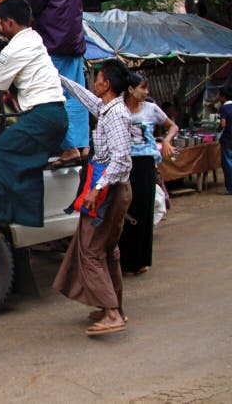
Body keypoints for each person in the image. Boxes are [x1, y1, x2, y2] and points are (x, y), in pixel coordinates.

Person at [0, 0, 68, 230]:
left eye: (1, 24)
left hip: (42, 115)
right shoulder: (35, 38)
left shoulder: (12, 51)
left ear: (10, 23)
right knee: (27, 163)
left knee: (0, 152)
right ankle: (28, 215)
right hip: (58, 117)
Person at [53, 59, 133, 336]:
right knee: (108, 252)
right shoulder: (106, 108)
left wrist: (97, 189)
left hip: (108, 192)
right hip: (111, 190)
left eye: (97, 78)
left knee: (90, 250)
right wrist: (61, 79)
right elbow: (86, 97)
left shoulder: (117, 116)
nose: (94, 82)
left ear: (106, 84)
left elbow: (121, 160)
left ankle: (112, 314)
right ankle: (112, 307)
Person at [22, 0, 89, 166]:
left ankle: (69, 148)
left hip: (53, 45)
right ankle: (82, 144)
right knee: (77, 96)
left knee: (53, 97)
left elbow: (30, 4)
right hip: (75, 45)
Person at [120, 74, 179, 274]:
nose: (146, 92)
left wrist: (167, 142)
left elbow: (172, 126)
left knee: (143, 210)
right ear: (130, 89)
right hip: (124, 163)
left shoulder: (151, 109)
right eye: (143, 88)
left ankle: (141, 261)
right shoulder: (118, 108)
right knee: (126, 210)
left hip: (145, 163)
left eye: (147, 88)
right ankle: (125, 261)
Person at [218, 86, 232, 196]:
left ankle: (230, 188)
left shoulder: (224, 108)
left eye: (219, 96)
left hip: (228, 139)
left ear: (223, 97)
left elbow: (223, 124)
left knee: (228, 163)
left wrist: (218, 129)